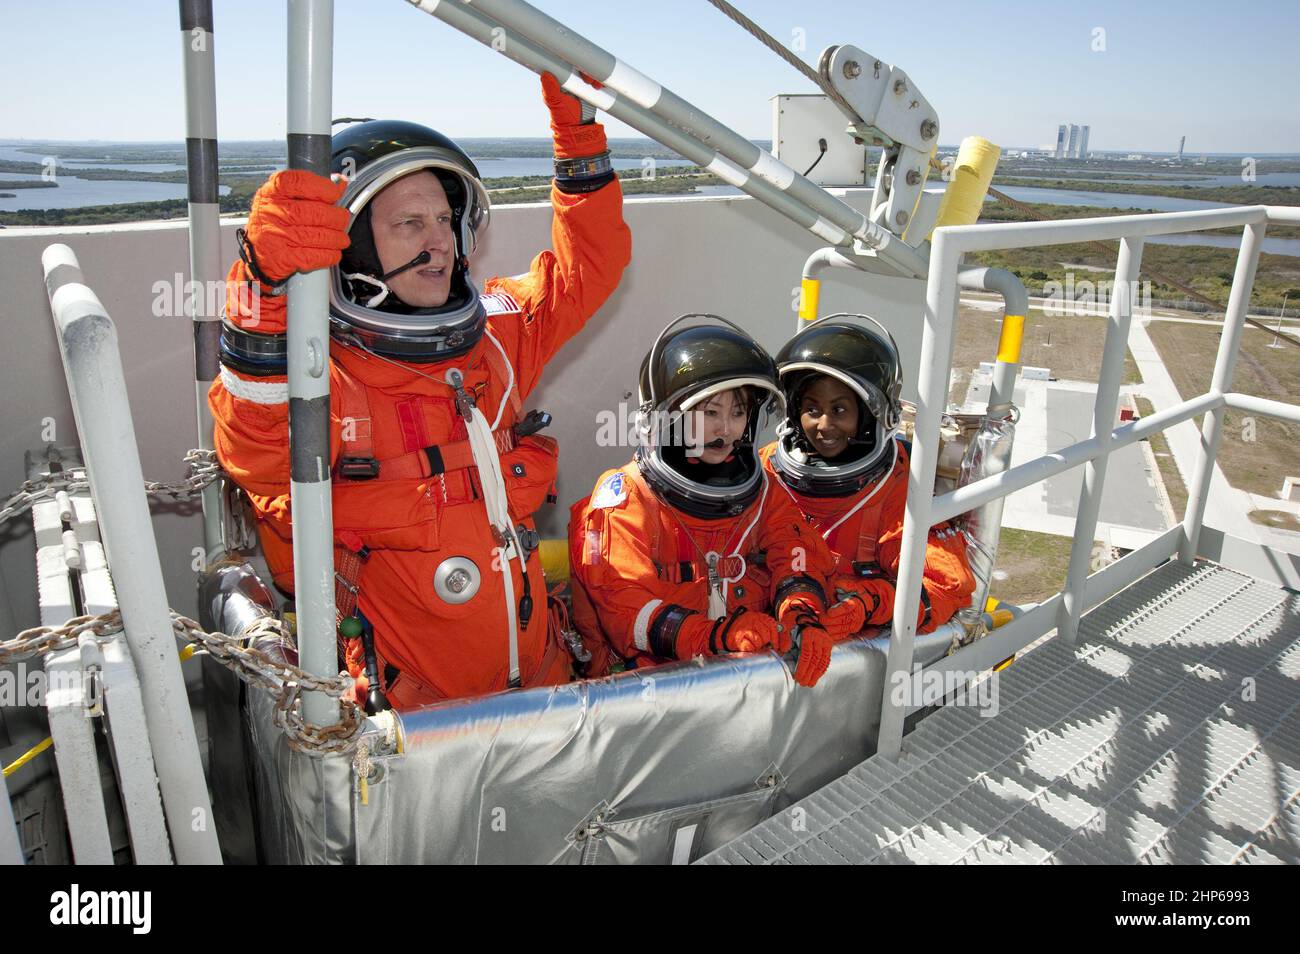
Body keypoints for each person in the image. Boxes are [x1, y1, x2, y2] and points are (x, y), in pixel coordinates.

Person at [210, 75, 631, 708]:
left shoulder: (498, 338)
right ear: (351, 250)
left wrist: (580, 140)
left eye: (443, 219)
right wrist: (261, 282)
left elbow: (588, 267)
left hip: (541, 685)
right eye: (409, 223)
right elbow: (257, 456)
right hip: (411, 720)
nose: (437, 242)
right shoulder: (321, 374)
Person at [568, 316, 839, 687]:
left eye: (738, 412)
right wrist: (713, 636)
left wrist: (802, 617)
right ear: (668, 416)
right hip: (641, 688)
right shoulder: (627, 499)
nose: (726, 429)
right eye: (710, 412)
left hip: (734, 674)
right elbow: (625, 609)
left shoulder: (763, 494)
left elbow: (795, 558)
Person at [759, 316, 975, 642]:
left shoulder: (897, 485)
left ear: (869, 416)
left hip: (853, 643)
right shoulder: (768, 469)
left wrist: (869, 604)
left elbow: (944, 584)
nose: (824, 424)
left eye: (840, 410)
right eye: (812, 409)